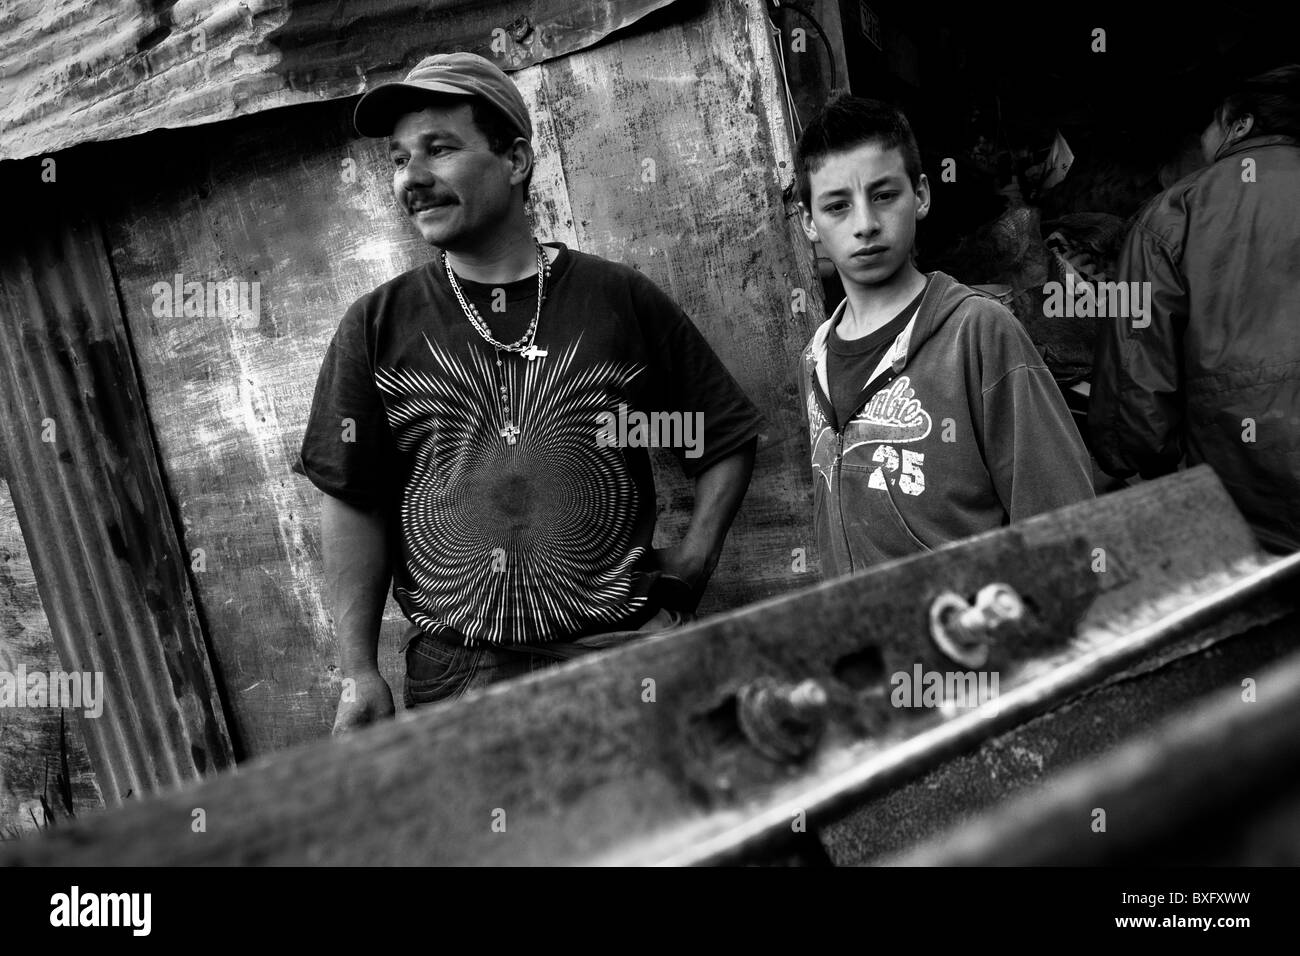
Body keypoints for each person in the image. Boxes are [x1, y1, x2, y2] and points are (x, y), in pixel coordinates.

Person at [295, 53, 763, 730]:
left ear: (515, 161)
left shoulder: (615, 299)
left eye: (439, 150)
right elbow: (352, 499)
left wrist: (692, 562)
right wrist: (358, 672)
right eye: (399, 160)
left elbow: (717, 433)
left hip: (622, 655)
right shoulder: (378, 324)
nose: (412, 180)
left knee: (667, 832)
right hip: (462, 674)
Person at [795, 94, 1094, 574]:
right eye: (837, 206)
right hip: (865, 639)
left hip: (972, 636)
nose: (866, 225)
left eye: (884, 195)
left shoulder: (976, 332)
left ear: (922, 195)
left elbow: (1061, 524)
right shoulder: (815, 357)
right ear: (810, 221)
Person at [1090, 65, 1300, 554]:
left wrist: (1142, 461)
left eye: (1211, 124)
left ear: (1238, 124)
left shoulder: (1174, 212)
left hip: (1243, 497)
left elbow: (1131, 378)